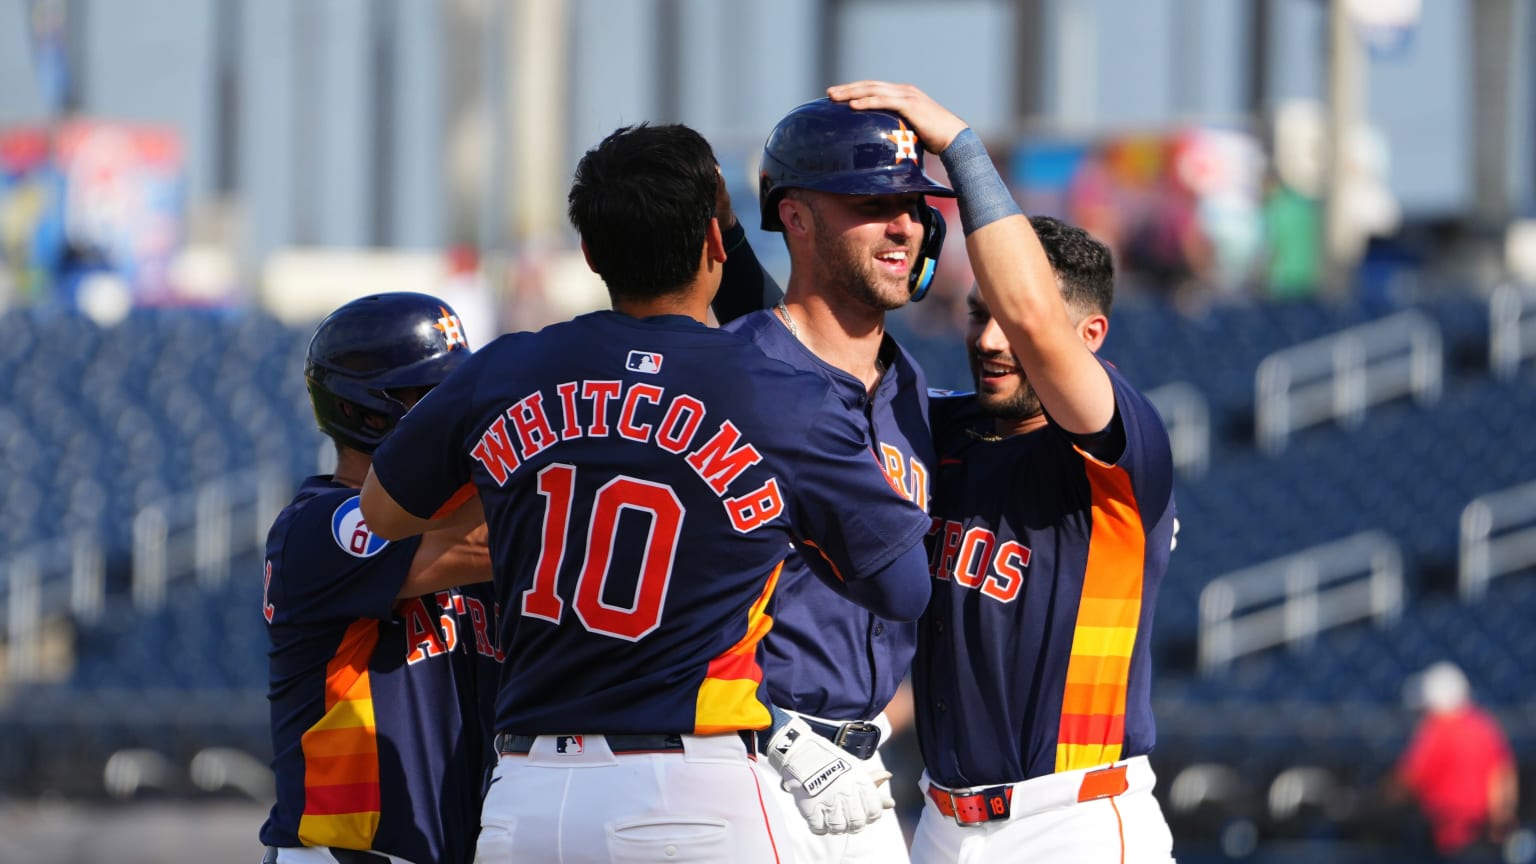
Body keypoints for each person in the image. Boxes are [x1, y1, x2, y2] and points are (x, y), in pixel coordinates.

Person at [357, 122, 934, 862]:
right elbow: (903, 588)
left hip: (523, 798)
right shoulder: (778, 396)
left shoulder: (506, 370)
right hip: (687, 790)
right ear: (716, 245)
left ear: (591, 253)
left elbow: (382, 510)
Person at [834, 81, 1179, 864]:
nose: (992, 338)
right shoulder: (943, 429)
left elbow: (1032, 316)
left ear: (1089, 334)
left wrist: (961, 148)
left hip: (1078, 823)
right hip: (941, 823)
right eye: (977, 313)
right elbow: (808, 363)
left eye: (1012, 320)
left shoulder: (1124, 453)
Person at [712, 93, 956, 863]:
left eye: (913, 202)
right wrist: (773, 727)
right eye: (871, 200)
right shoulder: (731, 377)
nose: (904, 224)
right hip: (746, 761)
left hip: (864, 774)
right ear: (795, 216)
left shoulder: (911, 386)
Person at [259, 292, 501, 864]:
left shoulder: (473, 511)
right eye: (436, 396)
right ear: (366, 412)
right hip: (344, 855)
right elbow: (484, 540)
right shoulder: (313, 531)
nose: (462, 411)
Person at [1388, 661, 1518, 860]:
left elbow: (1409, 780)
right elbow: (1503, 775)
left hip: (1452, 838)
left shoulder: (1437, 732)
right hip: (1483, 838)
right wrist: (1501, 819)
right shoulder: (1484, 726)